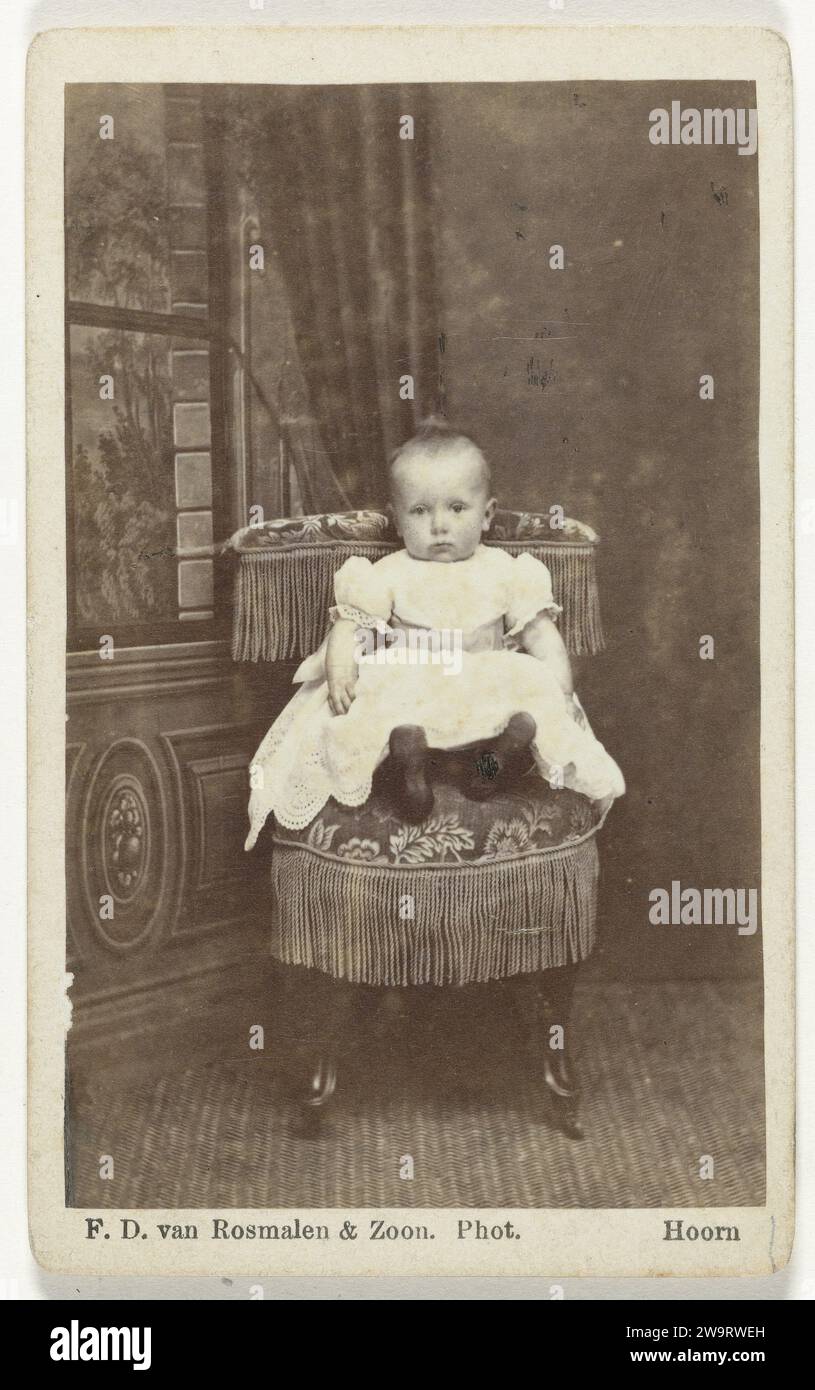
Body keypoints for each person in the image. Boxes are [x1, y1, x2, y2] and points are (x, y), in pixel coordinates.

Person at [245, 417, 624, 848]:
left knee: (525, 706)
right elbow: (351, 625)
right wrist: (341, 670)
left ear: (488, 515)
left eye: (456, 508)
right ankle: (411, 770)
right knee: (378, 711)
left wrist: (557, 687)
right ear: (398, 519)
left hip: (481, 687)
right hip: (414, 685)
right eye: (420, 511)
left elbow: (539, 633)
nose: (439, 525)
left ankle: (493, 763)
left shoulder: (505, 571)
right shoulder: (386, 574)